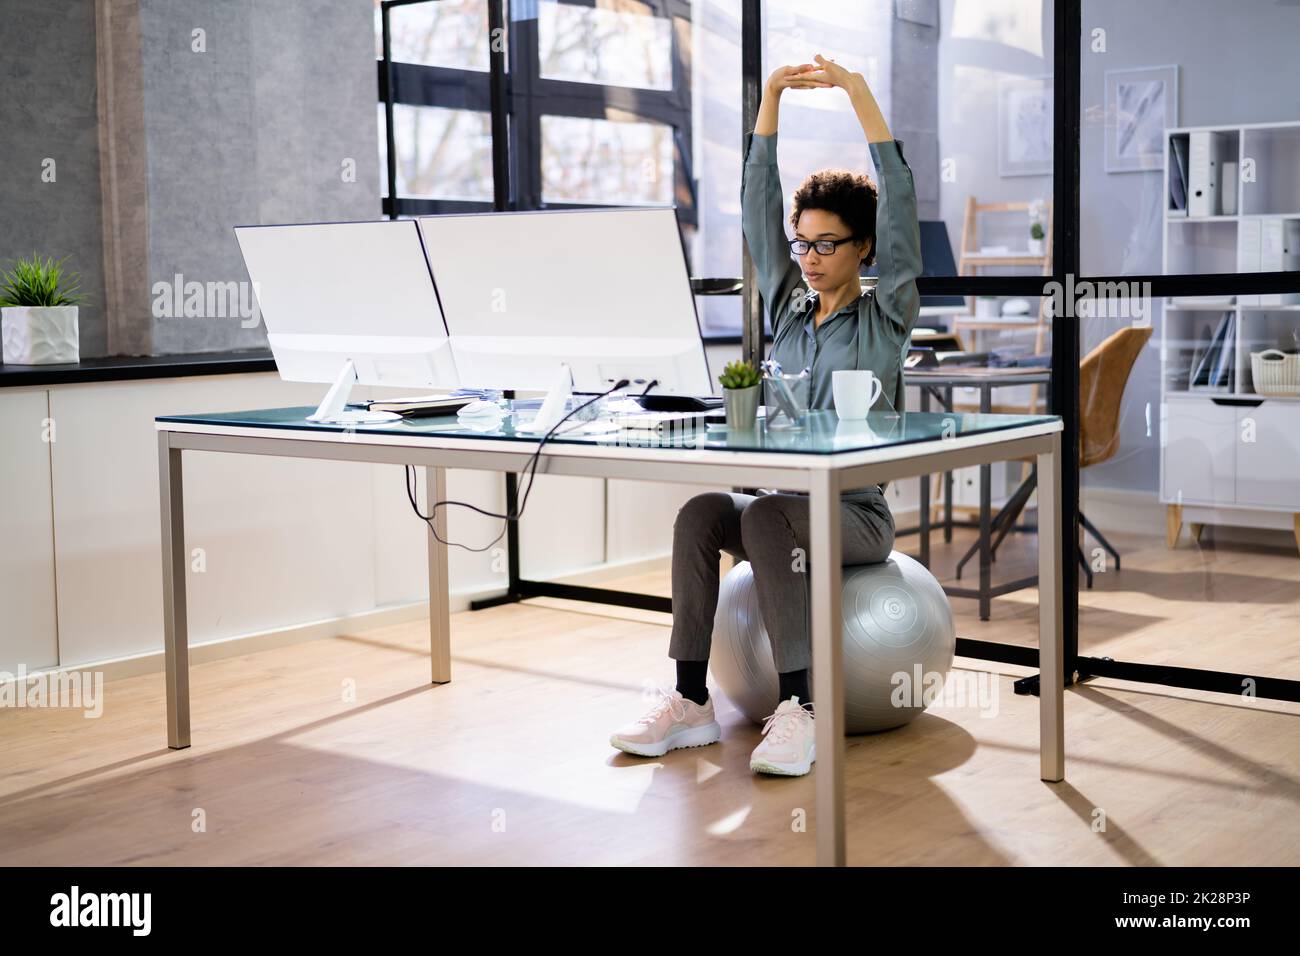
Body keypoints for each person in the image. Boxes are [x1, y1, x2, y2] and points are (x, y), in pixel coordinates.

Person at [610, 55, 922, 776]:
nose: (809, 258)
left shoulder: (888, 317)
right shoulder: (787, 308)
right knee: (701, 512)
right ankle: (691, 701)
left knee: (763, 519)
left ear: (864, 247)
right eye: (801, 243)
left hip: (855, 514)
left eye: (827, 244)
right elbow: (757, 203)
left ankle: (799, 709)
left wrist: (855, 91)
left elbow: (898, 195)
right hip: (783, 509)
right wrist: (771, 95)